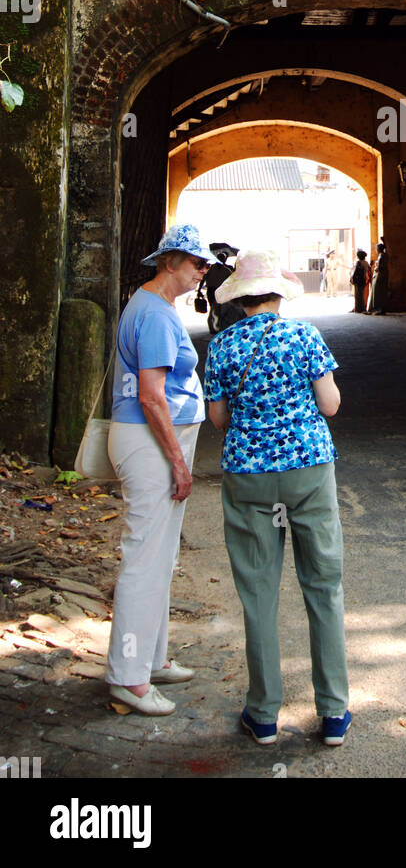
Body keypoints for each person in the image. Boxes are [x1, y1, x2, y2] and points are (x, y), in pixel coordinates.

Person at [204, 248, 351, 748]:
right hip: (309, 470)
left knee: (259, 595)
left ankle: (263, 715)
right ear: (277, 294)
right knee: (323, 588)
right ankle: (333, 714)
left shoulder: (221, 347)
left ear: (240, 299)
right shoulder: (305, 335)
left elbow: (218, 420)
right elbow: (330, 405)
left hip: (248, 476)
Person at [106, 224, 218, 715]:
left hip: (156, 441)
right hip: (151, 444)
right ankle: (128, 678)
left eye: (207, 265)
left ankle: (149, 659)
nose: (203, 272)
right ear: (170, 262)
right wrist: (178, 461)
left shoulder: (154, 305)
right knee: (144, 560)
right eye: (198, 263)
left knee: (158, 557)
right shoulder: (153, 313)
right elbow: (152, 397)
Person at [367, 239, 389, 315]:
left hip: (379, 275)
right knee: (382, 291)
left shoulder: (381, 256)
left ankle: (377, 308)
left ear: (379, 249)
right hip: (383, 275)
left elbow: (379, 267)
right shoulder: (385, 254)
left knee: (377, 292)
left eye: (376, 248)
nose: (376, 250)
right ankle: (380, 308)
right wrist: (384, 242)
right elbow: (386, 249)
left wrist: (375, 269)